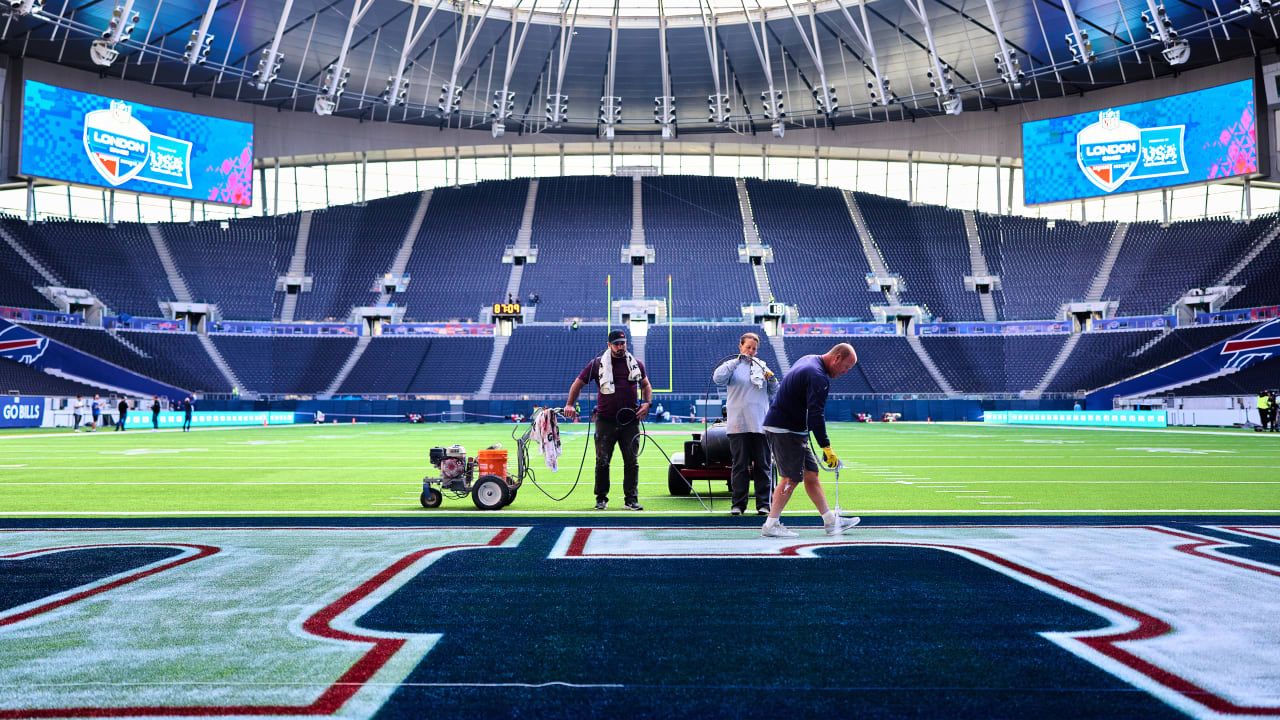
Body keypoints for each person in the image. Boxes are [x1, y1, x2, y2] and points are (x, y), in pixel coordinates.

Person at [760, 343, 861, 538]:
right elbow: (816, 415)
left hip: (789, 427)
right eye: (846, 367)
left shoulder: (810, 359)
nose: (845, 372)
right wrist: (826, 447)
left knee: (811, 474)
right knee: (791, 477)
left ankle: (831, 521)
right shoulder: (818, 376)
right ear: (837, 357)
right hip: (785, 429)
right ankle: (770, 525)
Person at [563, 329, 652, 510]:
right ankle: (601, 498)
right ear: (609, 345)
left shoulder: (636, 364)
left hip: (630, 421)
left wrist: (647, 403)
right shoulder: (597, 364)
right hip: (605, 421)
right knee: (602, 461)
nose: (621, 347)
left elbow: (646, 384)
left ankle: (631, 499)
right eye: (617, 344)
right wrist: (570, 404)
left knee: (631, 461)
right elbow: (578, 383)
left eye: (623, 343)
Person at [712, 332, 779, 516]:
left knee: (763, 466)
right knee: (739, 466)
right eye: (748, 347)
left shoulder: (762, 366)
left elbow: (774, 391)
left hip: (760, 425)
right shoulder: (731, 365)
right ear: (740, 346)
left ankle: (764, 504)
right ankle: (738, 505)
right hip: (738, 425)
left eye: (754, 348)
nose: (751, 351)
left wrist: (771, 378)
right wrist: (736, 361)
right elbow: (718, 379)